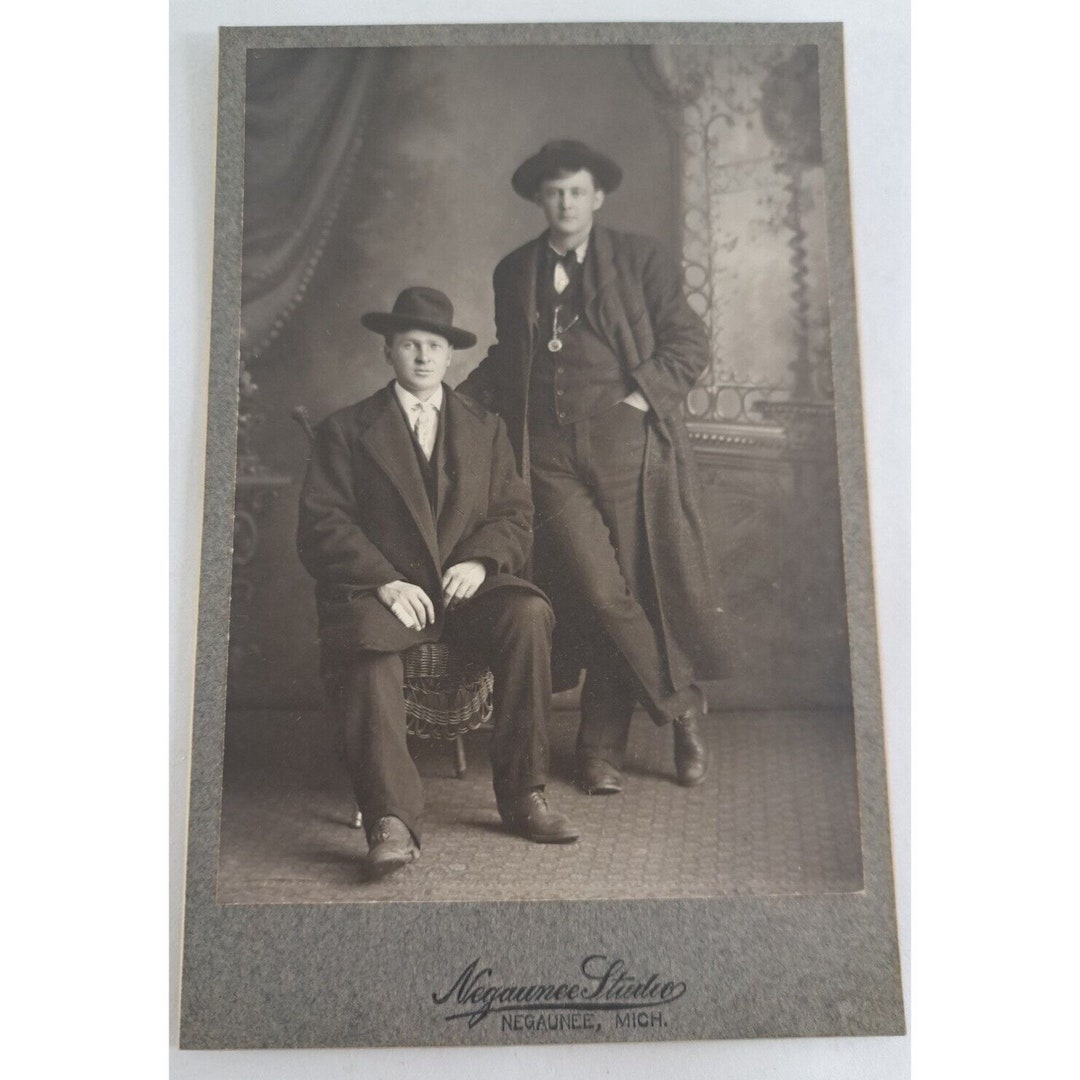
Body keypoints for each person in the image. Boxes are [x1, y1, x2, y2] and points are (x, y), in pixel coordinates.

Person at [458, 139, 731, 797]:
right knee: (597, 591)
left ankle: (599, 750)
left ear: (597, 198)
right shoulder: (514, 270)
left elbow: (689, 343)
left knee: (629, 591)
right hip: (547, 454)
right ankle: (682, 705)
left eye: (577, 191)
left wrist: (638, 401)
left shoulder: (641, 260)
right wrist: (451, 400)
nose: (565, 202)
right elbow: (509, 357)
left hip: (624, 448)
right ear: (538, 199)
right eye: (554, 192)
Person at [298, 286, 579, 878]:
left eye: (434, 346)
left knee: (529, 615)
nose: (422, 357)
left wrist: (479, 562)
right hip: (387, 594)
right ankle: (391, 820)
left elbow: (514, 514)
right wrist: (382, 581)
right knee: (368, 648)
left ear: (450, 356)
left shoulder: (486, 428)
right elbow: (323, 522)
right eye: (409, 345)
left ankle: (525, 794)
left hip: (466, 591)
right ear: (388, 352)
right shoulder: (347, 430)